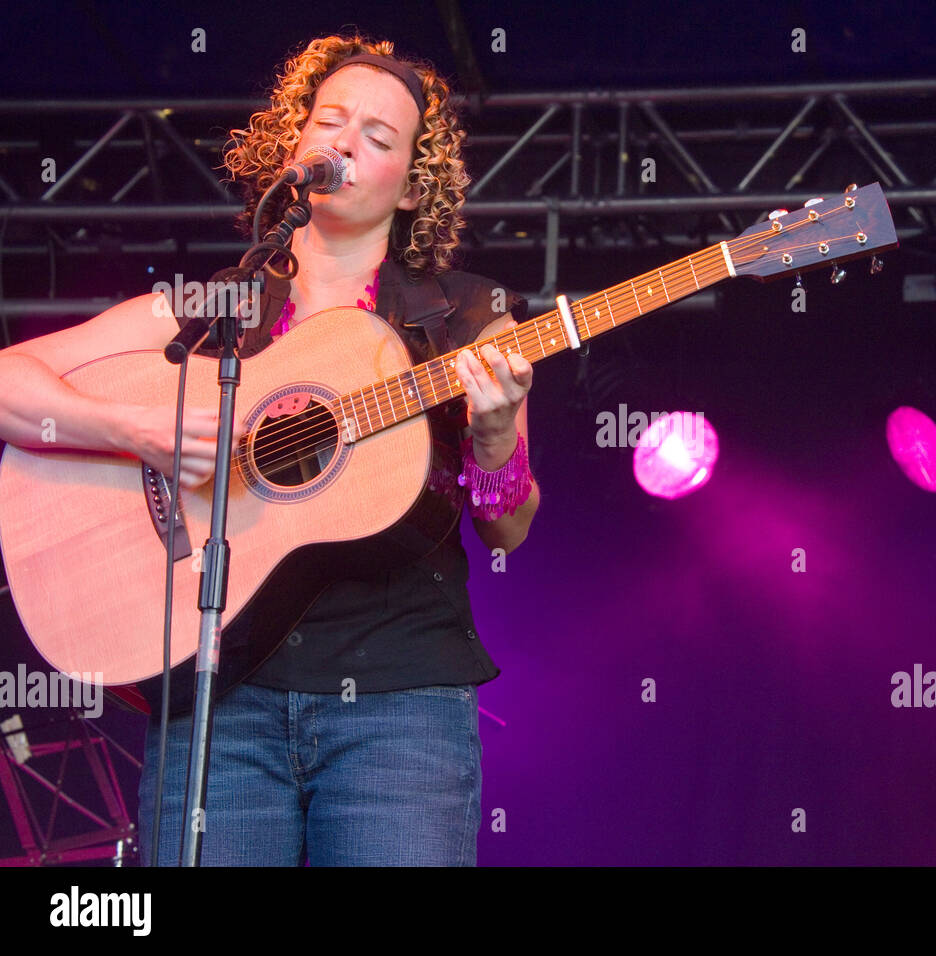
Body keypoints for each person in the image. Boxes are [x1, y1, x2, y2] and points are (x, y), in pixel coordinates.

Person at [0, 35, 539, 865]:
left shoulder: (465, 318)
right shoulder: (216, 302)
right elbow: (12, 380)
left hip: (398, 705)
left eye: (379, 137)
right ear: (294, 145)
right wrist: (136, 431)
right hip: (221, 702)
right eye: (331, 121)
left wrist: (496, 432)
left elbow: (509, 530)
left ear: (410, 185)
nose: (347, 142)